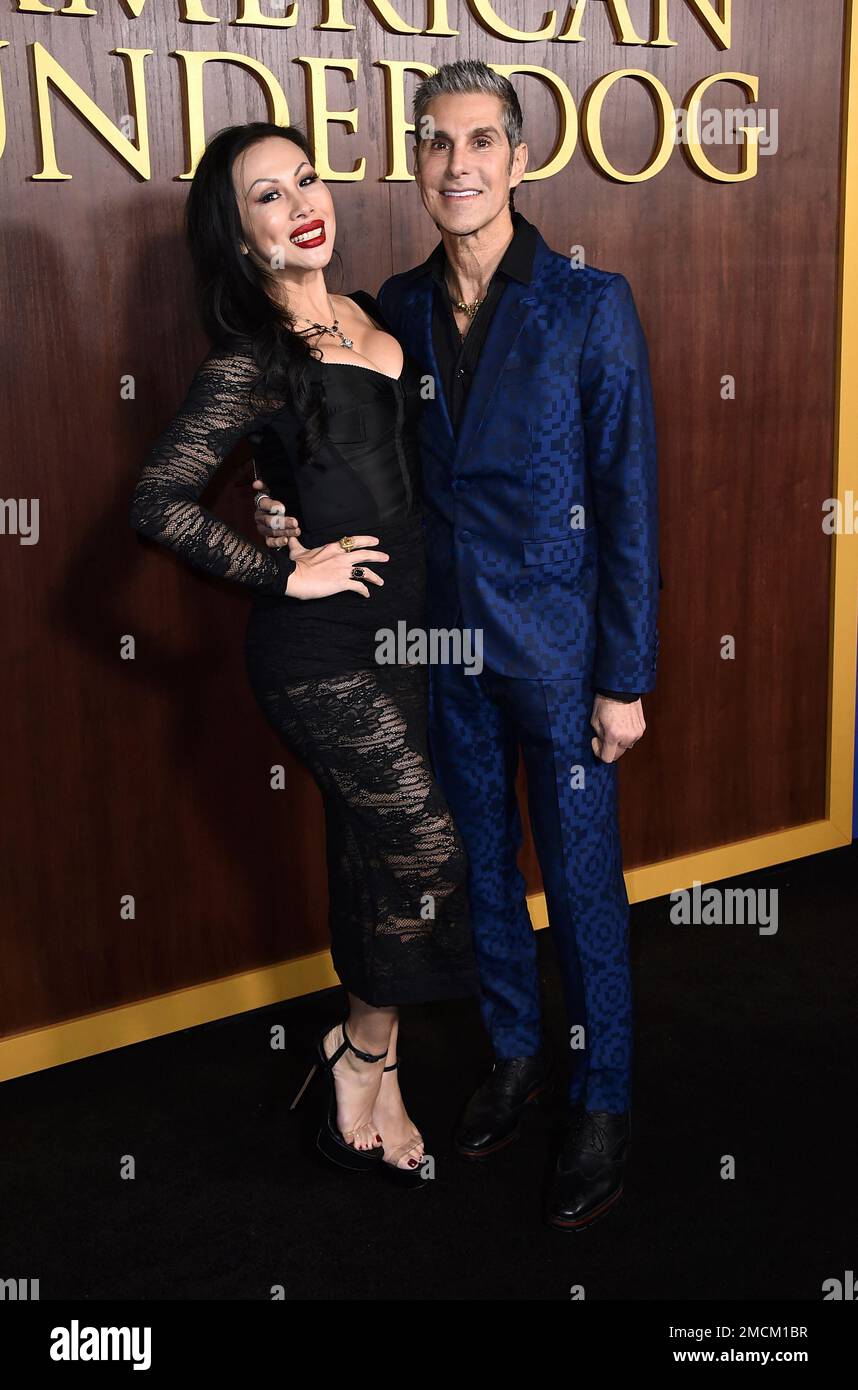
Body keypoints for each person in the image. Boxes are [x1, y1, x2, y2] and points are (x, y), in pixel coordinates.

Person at [253, 62, 660, 1229]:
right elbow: (348, 454)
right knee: (479, 874)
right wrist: (282, 513)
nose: (459, 163)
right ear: (417, 163)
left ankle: (601, 1099)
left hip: (567, 654)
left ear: (518, 159)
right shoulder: (394, 306)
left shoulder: (591, 303)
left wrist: (626, 676)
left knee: (582, 888)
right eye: (436, 143)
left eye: (482, 141)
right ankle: (519, 1058)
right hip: (441, 650)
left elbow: (628, 499)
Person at [129, 120, 481, 1185]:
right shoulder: (254, 359)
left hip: (408, 635)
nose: (301, 203)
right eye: (268, 197)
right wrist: (285, 568)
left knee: (372, 854)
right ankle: (359, 1048)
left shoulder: (378, 315)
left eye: (307, 179)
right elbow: (156, 501)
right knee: (425, 848)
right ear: (243, 242)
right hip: (318, 651)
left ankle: (375, 1070)